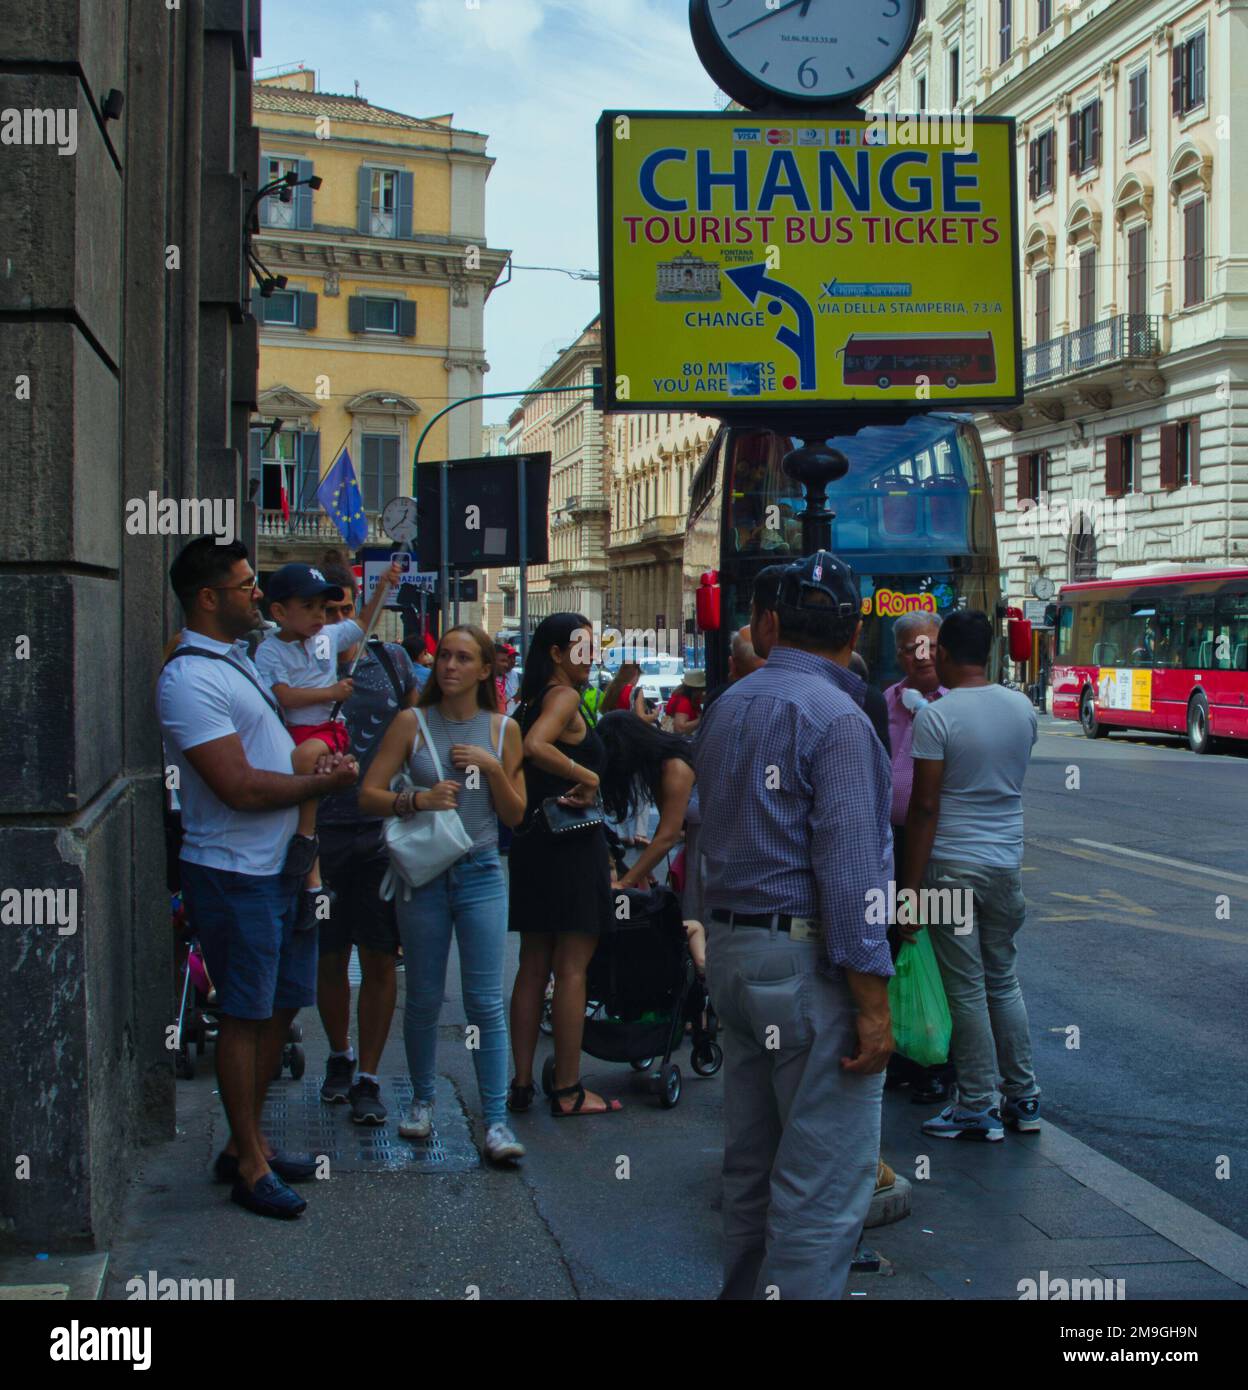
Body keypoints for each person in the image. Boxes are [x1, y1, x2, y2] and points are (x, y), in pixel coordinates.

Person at [695, 551, 895, 1300]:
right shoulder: (839, 718)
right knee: (819, 1189)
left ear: (770, 624)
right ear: (853, 632)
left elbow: (702, 829)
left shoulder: (731, 703)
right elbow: (850, 878)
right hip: (804, 964)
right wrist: (873, 1005)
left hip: (736, 953)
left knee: (750, 1167)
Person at [157, 538, 359, 1219]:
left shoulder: (236, 660)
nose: (256, 595)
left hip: (281, 868)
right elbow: (237, 787)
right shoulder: (188, 678)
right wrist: (314, 781)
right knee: (243, 1016)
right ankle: (246, 1164)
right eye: (244, 586)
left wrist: (316, 777)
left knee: (278, 1006)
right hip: (233, 873)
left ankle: (252, 1143)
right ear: (208, 598)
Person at [360, 624, 528, 1163]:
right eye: (444, 658)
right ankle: (422, 1101)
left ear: (485, 670)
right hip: (425, 875)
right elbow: (368, 794)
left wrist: (494, 769)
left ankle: (496, 1122)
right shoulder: (412, 723)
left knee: (484, 1001)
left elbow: (516, 815)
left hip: (481, 872)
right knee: (426, 996)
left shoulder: (504, 730)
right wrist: (417, 800)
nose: (449, 667)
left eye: (463, 659)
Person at [900, 609, 1041, 1142]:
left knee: (966, 987)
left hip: (949, 870)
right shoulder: (1022, 709)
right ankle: (1023, 1098)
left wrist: (907, 893)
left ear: (941, 654)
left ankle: (976, 1104)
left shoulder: (937, 718)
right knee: (1003, 979)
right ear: (990, 653)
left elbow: (925, 808)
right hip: (1006, 863)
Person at [313, 554, 418, 1126]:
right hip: (318, 835)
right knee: (329, 957)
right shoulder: (298, 668)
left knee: (379, 958)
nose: (335, 621)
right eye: (324, 612)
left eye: (344, 610)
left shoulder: (392, 659)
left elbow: (415, 732)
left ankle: (371, 1077)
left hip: (381, 835)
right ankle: (338, 1055)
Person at [506, 613, 620, 1118]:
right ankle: (569, 1088)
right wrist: (586, 775)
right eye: (581, 648)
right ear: (556, 653)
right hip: (572, 845)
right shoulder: (564, 697)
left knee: (533, 965)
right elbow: (536, 747)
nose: (590, 657)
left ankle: (523, 1081)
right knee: (572, 969)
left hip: (534, 844)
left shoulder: (528, 700)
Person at [254, 560, 400, 929]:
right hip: (289, 731)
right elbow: (283, 696)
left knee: (304, 760)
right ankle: (312, 883)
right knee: (295, 768)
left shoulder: (327, 638)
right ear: (278, 612)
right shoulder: (269, 651)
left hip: (325, 730)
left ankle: (305, 835)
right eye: (310, 607)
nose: (321, 616)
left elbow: (362, 625)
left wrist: (381, 588)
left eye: (325, 608)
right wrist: (331, 690)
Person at [881, 611, 953, 1105]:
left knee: (937, 948)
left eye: (927, 645)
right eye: (909, 648)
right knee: (894, 947)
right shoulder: (884, 700)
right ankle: (903, 1055)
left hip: (939, 845)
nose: (919, 655)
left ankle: (939, 1063)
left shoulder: (955, 703)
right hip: (888, 842)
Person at [596, 711, 695, 890]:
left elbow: (668, 835)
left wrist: (625, 882)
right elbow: (665, 826)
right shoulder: (656, 765)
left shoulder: (675, 766)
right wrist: (643, 867)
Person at [666, 669, 705, 733]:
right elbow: (680, 728)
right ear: (696, 689)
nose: (703, 692)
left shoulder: (690, 697)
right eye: (702, 689)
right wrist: (703, 719)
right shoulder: (684, 702)